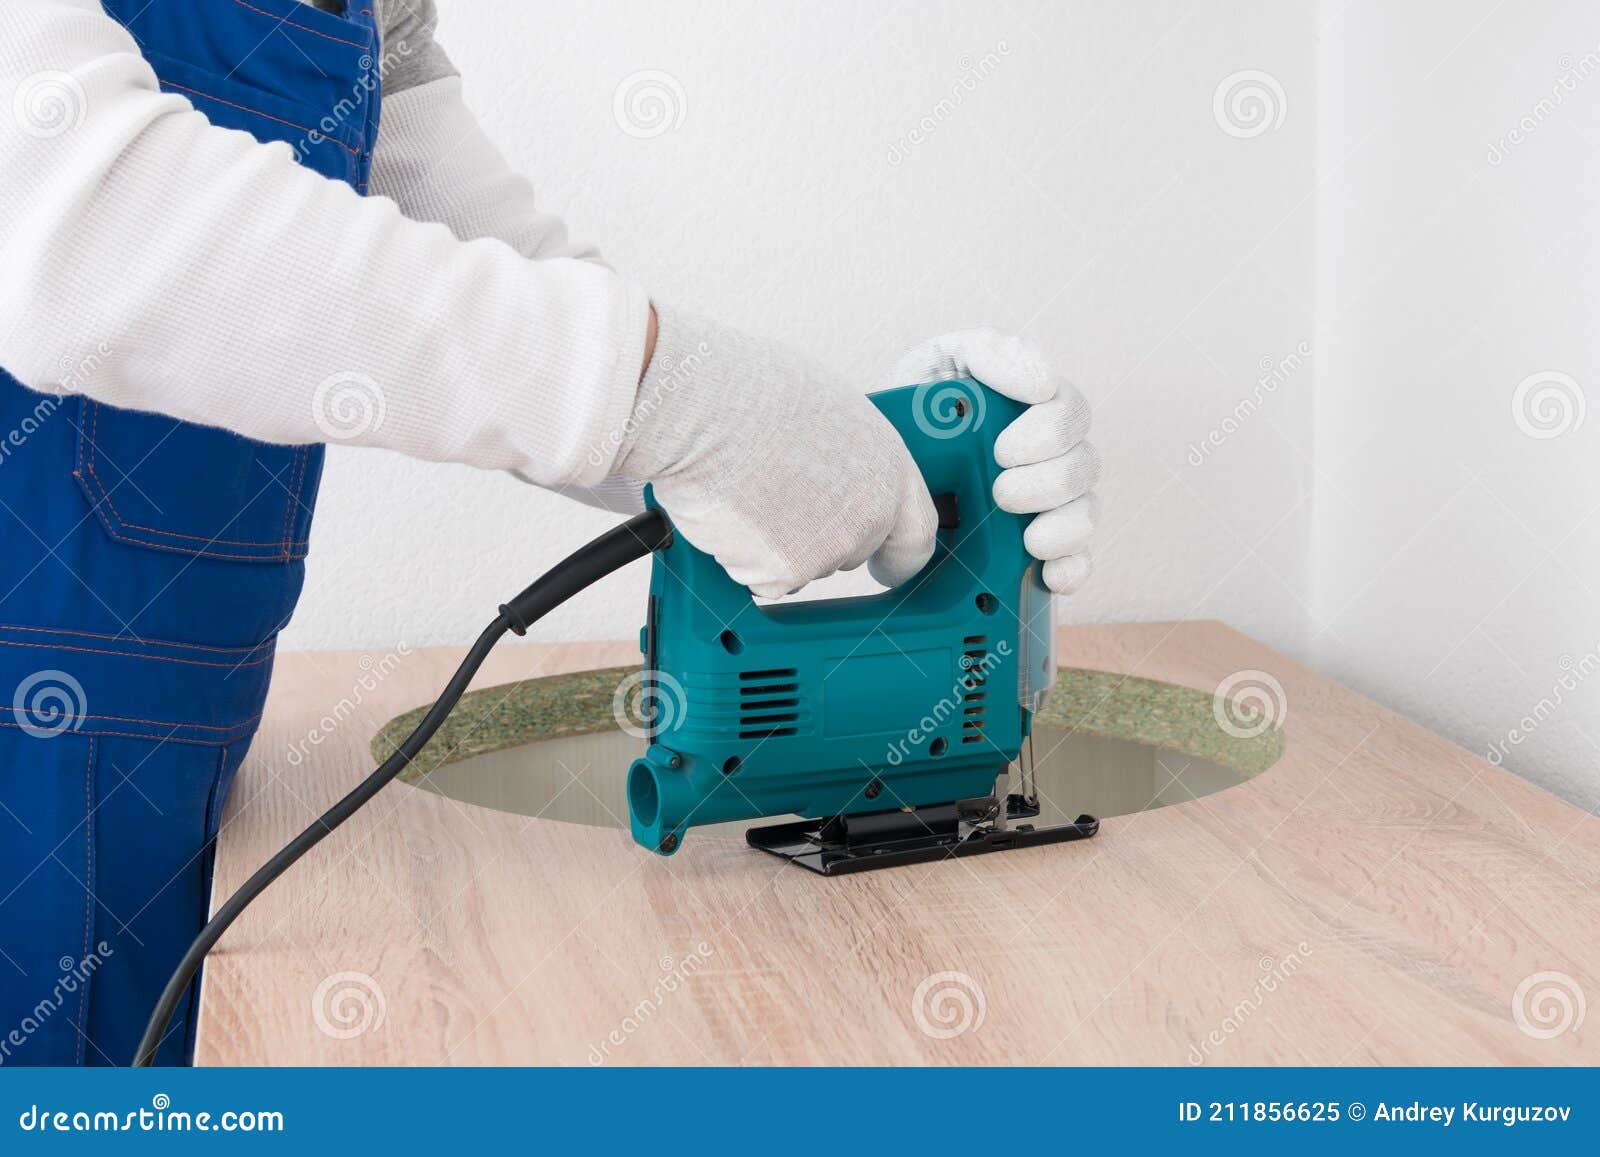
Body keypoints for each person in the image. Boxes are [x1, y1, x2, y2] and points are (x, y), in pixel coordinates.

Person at [0, 0, 1101, 1066]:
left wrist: (856, 444)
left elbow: (496, 282)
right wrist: (686, 402)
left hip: (162, 806)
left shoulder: (364, 15)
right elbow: (79, 224)